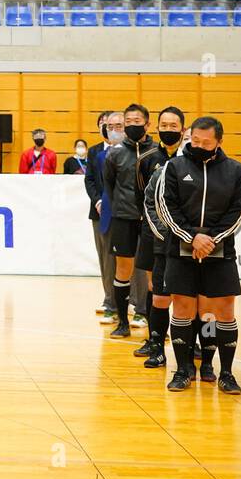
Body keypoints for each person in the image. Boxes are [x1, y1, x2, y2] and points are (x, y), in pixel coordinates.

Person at [155, 115, 241, 394]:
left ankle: (224, 372)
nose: (200, 146)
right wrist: (191, 237)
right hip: (181, 249)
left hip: (220, 251)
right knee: (182, 309)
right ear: (189, 136)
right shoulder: (174, 166)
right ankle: (183, 370)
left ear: (219, 142)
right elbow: (165, 206)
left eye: (206, 142)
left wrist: (212, 239)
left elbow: (238, 210)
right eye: (195, 140)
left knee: (219, 312)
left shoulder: (235, 170)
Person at [132, 107, 184, 364]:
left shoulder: (190, 159)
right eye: (164, 125)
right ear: (157, 128)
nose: (169, 129)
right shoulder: (147, 158)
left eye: (174, 125)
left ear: (183, 130)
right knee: (156, 287)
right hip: (153, 233)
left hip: (183, 236)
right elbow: (141, 196)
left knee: (187, 292)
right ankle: (155, 341)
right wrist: (155, 226)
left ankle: (190, 342)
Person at [104, 103, 156, 338]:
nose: (132, 125)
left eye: (137, 121)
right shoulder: (115, 153)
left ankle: (153, 325)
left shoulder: (157, 152)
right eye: (129, 121)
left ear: (147, 123)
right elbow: (110, 186)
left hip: (151, 222)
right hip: (123, 219)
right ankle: (122, 322)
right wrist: (122, 209)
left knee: (153, 273)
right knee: (123, 270)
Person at [86, 110, 122, 322]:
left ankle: (136, 304)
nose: (111, 129)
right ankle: (111, 301)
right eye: (106, 125)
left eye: (116, 125)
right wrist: (99, 201)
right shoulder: (95, 152)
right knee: (107, 259)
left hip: (127, 212)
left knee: (130, 260)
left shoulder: (130, 151)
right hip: (101, 212)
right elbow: (89, 180)